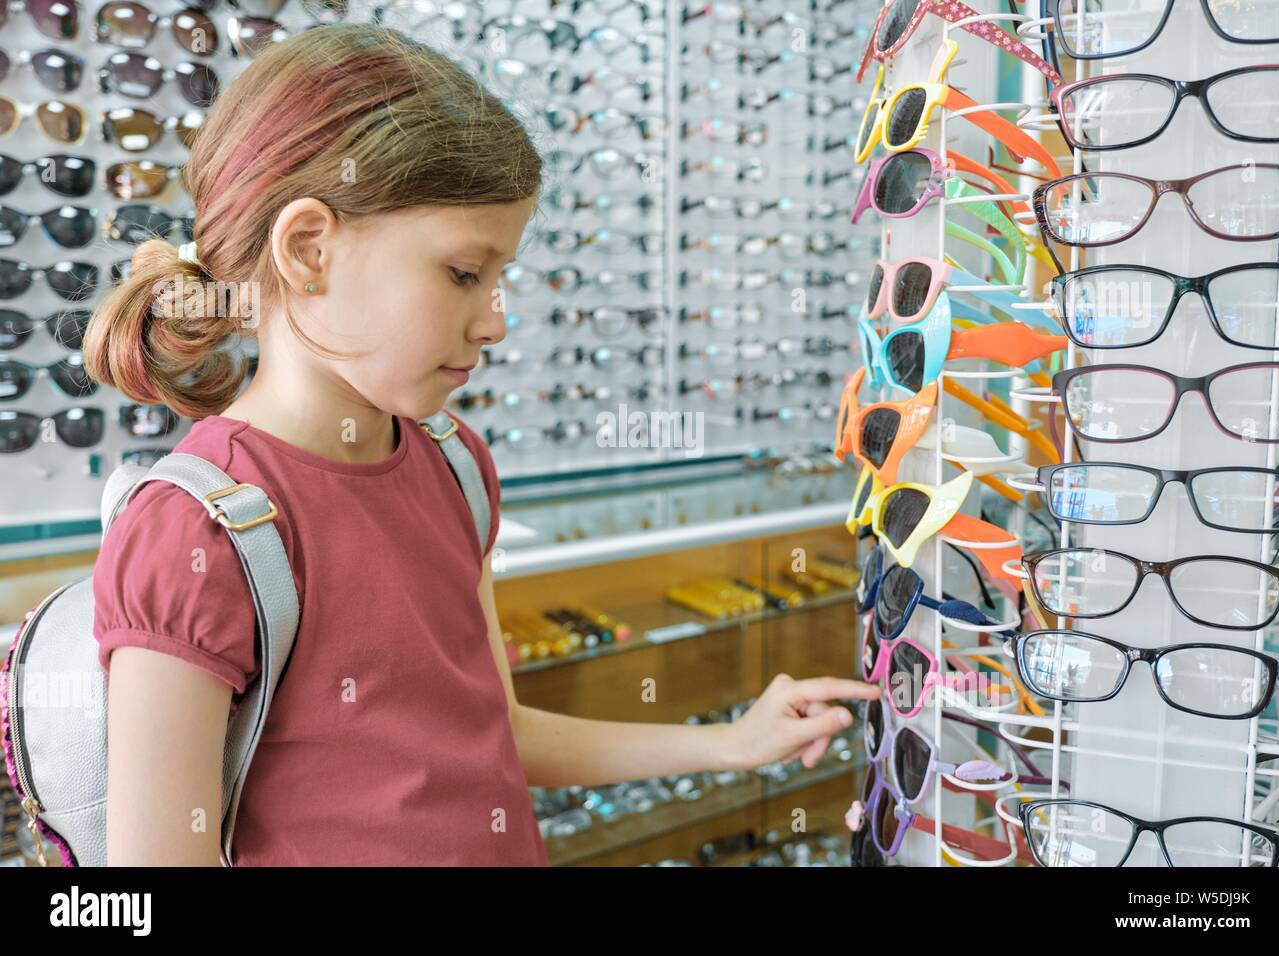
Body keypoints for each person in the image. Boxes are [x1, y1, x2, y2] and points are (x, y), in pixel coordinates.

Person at [82, 23, 879, 866]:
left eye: (501, 279)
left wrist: (727, 743)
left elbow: (494, 732)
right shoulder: (194, 532)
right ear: (309, 249)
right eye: (465, 273)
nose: (496, 319)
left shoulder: (454, 464)